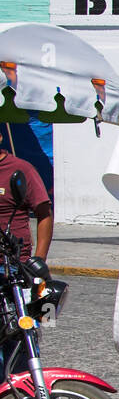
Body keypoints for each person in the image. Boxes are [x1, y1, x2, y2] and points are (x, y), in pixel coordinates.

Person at [0, 145, 54, 374]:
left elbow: (44, 213)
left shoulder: (21, 169)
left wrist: (38, 261)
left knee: (22, 335)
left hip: (14, 268)